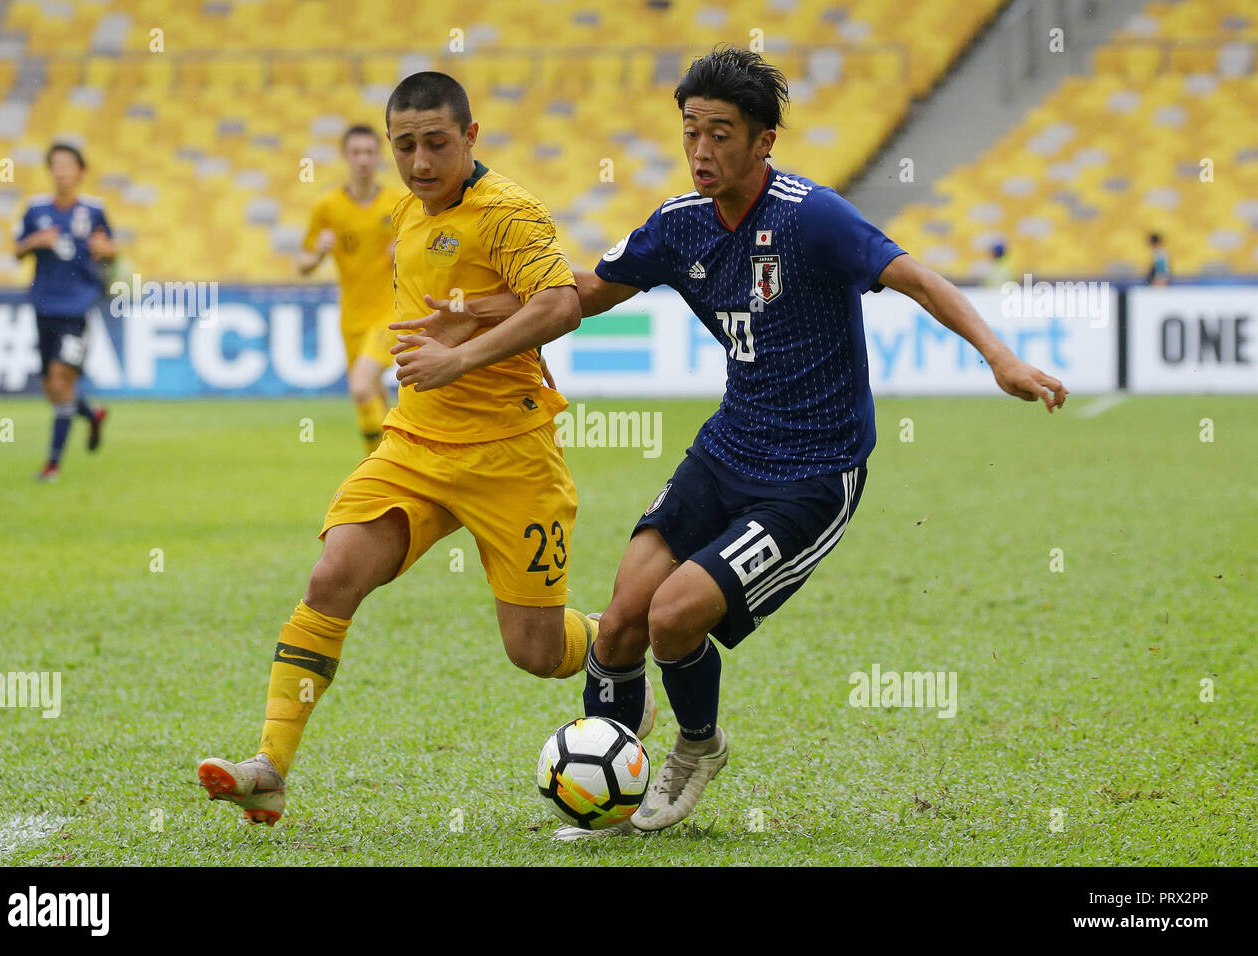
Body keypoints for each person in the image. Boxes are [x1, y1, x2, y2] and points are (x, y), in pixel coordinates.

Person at [394, 47, 1069, 838]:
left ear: (763, 140)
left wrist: (1001, 356)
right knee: (617, 627)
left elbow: (918, 278)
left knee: (675, 617)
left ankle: (697, 747)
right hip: (727, 450)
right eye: (691, 133)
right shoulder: (679, 226)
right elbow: (582, 293)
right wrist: (479, 310)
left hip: (812, 474)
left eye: (721, 133)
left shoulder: (811, 217)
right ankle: (609, 797)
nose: (703, 152)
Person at [197, 72, 653, 826]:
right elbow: (498, 295)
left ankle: (624, 642)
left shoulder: (509, 210)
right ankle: (269, 767)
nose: (419, 162)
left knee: (535, 651)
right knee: (332, 575)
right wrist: (464, 316)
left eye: (436, 143)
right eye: (404, 145)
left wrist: (461, 354)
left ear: (471, 138)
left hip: (512, 454)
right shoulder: (407, 212)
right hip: (416, 442)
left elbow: (562, 303)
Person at [296, 124, 407, 453]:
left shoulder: (398, 204)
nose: (363, 159)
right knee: (371, 398)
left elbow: (425, 254)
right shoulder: (328, 206)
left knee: (359, 386)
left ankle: (378, 468)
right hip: (352, 318)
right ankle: (392, 465)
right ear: (346, 156)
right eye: (356, 152)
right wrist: (318, 252)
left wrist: (402, 253)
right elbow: (302, 264)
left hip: (391, 313)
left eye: (370, 152)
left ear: (379, 156)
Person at [13, 143, 113, 482]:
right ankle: (92, 413)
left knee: (60, 378)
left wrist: (105, 250)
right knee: (52, 387)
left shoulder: (94, 211)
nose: (61, 171)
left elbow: (111, 250)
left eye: (67, 165)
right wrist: (34, 242)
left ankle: (52, 464)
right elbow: (17, 250)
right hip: (43, 305)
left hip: (77, 308)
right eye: (56, 165)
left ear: (80, 172)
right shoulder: (36, 210)